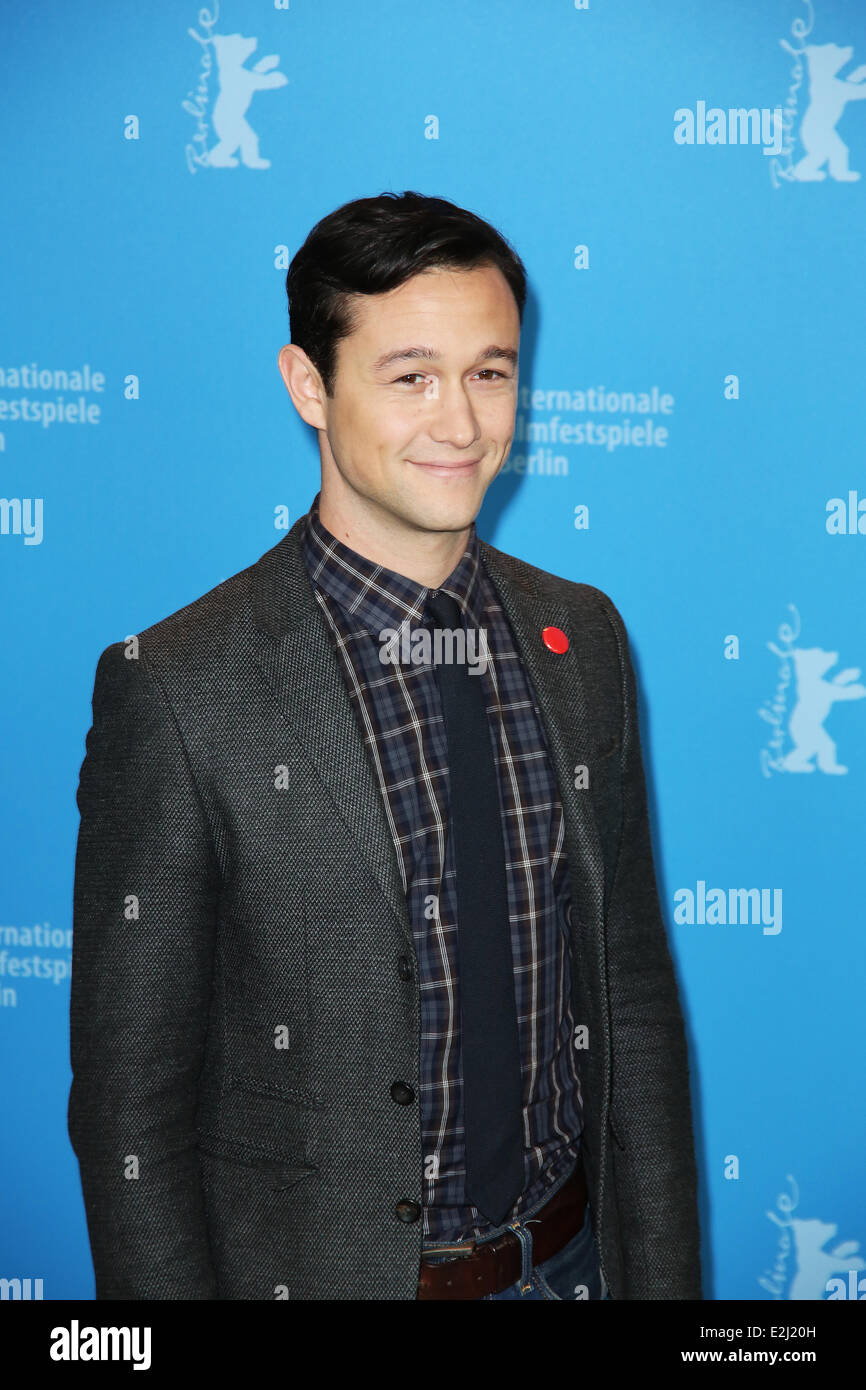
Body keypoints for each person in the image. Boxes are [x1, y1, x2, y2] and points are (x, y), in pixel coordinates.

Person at [68, 190, 701, 1301]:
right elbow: (132, 1106)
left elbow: (630, 995)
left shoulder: (581, 638)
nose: (459, 425)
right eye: (409, 376)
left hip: (571, 1265)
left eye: (489, 372)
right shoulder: (177, 687)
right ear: (309, 386)